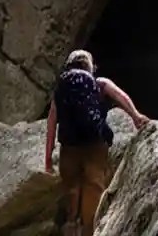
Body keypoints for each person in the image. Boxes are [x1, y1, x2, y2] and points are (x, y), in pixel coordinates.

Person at [44, 49, 150, 236]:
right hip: (96, 143)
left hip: (70, 146)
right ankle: (89, 229)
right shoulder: (98, 83)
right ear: (90, 65)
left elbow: (52, 122)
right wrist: (135, 116)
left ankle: (71, 224)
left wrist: (48, 157)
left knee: (72, 187)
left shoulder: (61, 89)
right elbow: (121, 97)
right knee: (94, 185)